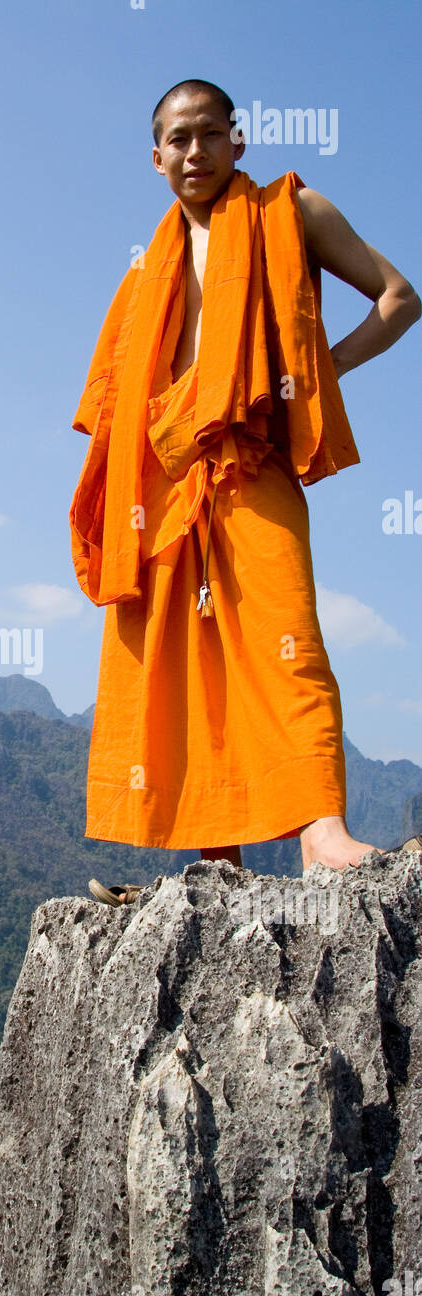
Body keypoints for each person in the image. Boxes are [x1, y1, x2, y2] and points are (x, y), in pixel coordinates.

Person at [71, 79, 420, 904]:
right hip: (164, 478)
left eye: (208, 135)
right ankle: (213, 858)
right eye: (177, 141)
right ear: (156, 158)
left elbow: (400, 299)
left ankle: (320, 832)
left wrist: (317, 373)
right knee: (183, 658)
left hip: (250, 458)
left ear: (238, 139)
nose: (194, 153)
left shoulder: (291, 214)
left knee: (283, 631)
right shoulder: (145, 269)